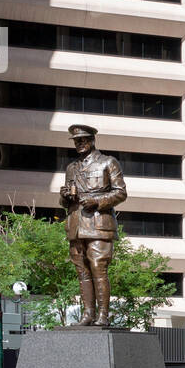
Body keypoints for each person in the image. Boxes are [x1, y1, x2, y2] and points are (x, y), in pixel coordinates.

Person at [59, 125, 127, 326]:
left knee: (98, 268)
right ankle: (87, 314)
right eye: (76, 141)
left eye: (83, 140)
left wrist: (97, 201)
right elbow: (65, 203)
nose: (79, 144)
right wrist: (64, 197)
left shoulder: (108, 162)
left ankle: (103, 316)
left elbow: (120, 193)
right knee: (82, 271)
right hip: (76, 225)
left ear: (92, 140)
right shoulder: (71, 168)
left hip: (98, 224)